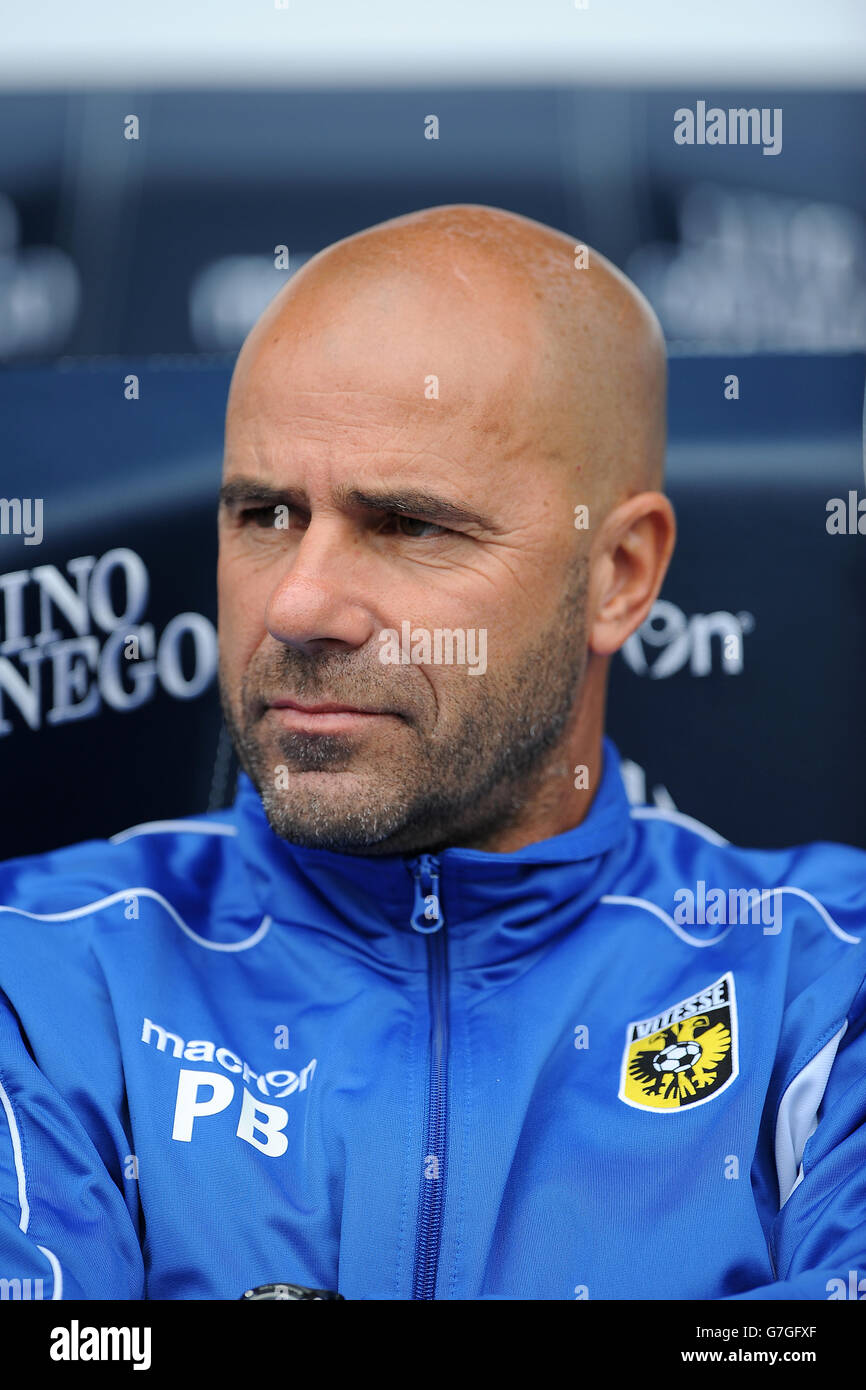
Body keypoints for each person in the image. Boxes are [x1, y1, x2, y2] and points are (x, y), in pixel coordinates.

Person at [0, 204, 864, 1301]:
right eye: (264, 514)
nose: (301, 605)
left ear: (620, 574)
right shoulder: (40, 973)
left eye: (408, 525)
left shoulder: (823, 981)